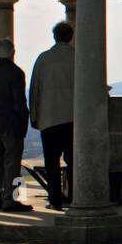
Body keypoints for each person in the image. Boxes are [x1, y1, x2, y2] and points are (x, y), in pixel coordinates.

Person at [30, 21, 76, 210]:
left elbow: (34, 89)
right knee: (74, 161)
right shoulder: (78, 57)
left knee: (51, 162)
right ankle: (75, 198)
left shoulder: (44, 59)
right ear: (71, 37)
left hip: (49, 118)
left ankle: (55, 200)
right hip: (74, 118)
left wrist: (34, 115)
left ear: (54, 36)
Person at [0, 38, 32, 212]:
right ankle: (10, 199)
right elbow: (20, 102)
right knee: (12, 162)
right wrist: (25, 119)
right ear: (13, 52)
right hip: (12, 122)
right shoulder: (16, 73)